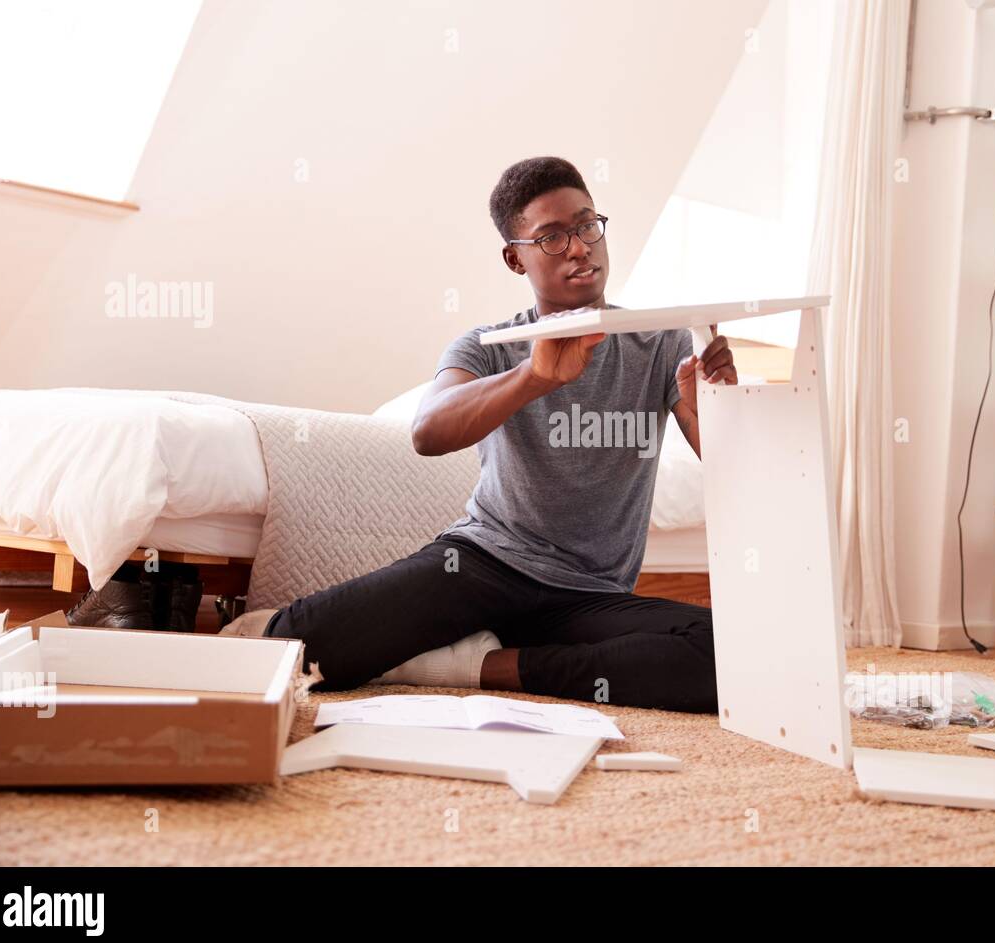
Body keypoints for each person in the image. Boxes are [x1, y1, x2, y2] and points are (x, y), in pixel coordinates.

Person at [231, 156, 737, 713]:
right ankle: (489, 653)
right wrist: (534, 376)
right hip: (479, 568)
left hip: (588, 598)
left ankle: (474, 665)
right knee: (281, 651)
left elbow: (733, 468)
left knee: (733, 653)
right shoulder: (487, 345)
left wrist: (714, 407)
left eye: (588, 225)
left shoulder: (660, 342)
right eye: (550, 238)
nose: (578, 247)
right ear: (514, 258)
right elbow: (429, 430)